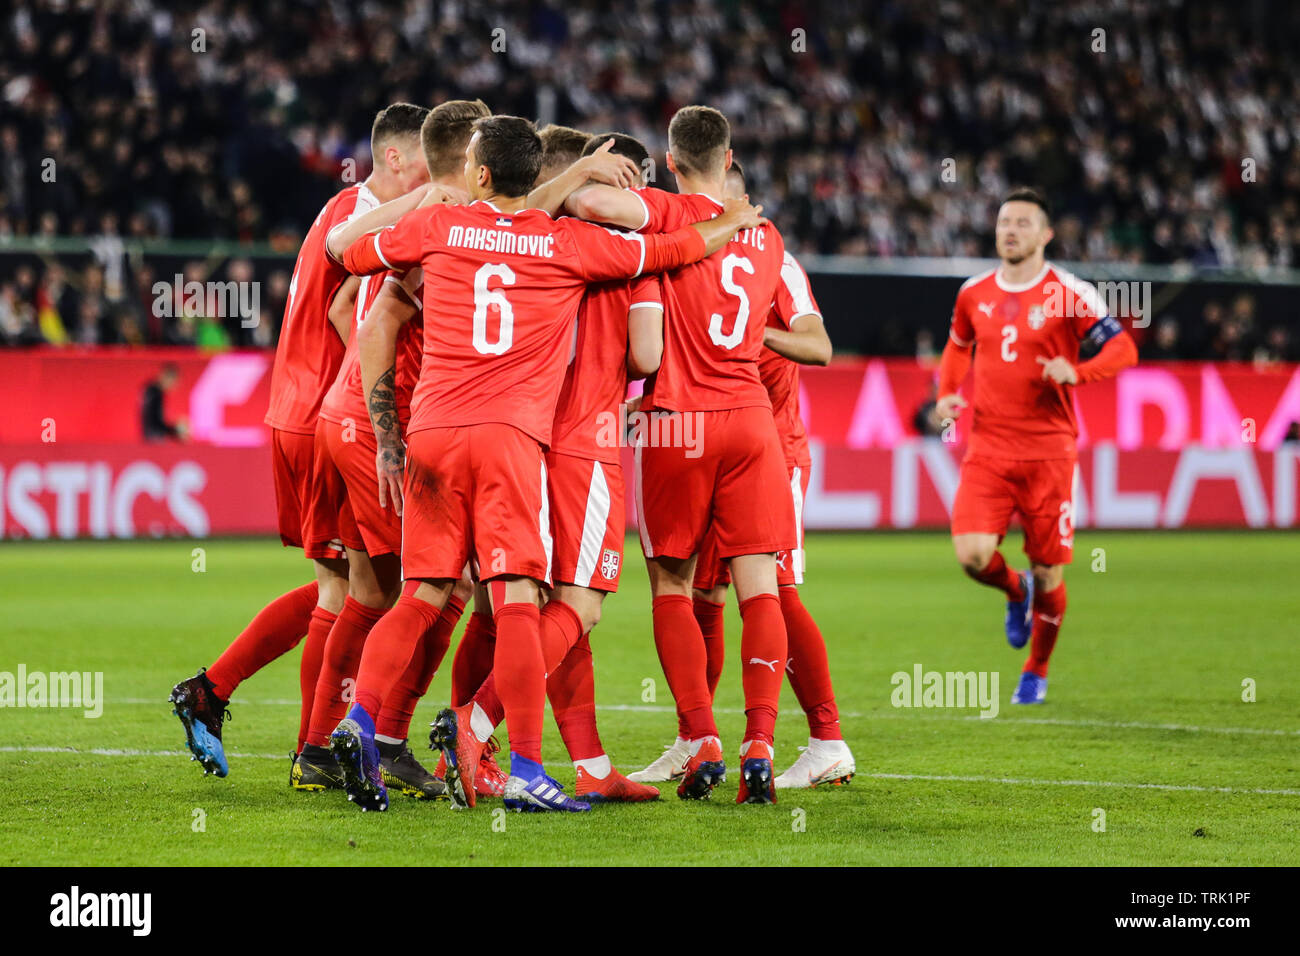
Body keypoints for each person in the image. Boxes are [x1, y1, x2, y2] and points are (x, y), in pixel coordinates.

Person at [329, 114, 762, 813]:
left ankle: (359, 720)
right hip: (509, 442)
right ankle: (526, 764)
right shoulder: (564, 246)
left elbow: (343, 251)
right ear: (534, 177)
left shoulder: (439, 229)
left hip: (432, 433)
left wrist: (416, 202)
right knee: (521, 600)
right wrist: (734, 221)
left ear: (479, 173)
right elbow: (675, 250)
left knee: (423, 596)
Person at [168, 103, 433, 778]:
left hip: (300, 409)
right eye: (431, 166)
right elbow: (357, 317)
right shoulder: (376, 219)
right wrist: (386, 400)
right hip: (329, 414)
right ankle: (314, 748)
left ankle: (216, 693)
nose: (441, 181)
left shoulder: (342, 205)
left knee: (337, 586)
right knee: (362, 592)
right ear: (396, 158)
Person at [935, 187, 1138, 704]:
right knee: (972, 554)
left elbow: (1123, 348)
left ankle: (1037, 668)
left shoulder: (1070, 292)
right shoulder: (973, 291)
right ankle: (1014, 589)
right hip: (989, 447)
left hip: (1049, 450)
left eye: (1024, 223)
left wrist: (1079, 370)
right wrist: (946, 394)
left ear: (1045, 234)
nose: (1011, 230)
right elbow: (958, 346)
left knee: (1050, 569)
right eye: (1005, 222)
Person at [140, 363, 185, 442]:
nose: (174, 385)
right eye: (174, 382)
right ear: (167, 377)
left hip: (151, 439)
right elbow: (155, 424)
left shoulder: (151, 390)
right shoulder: (155, 393)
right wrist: (175, 430)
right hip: (153, 441)